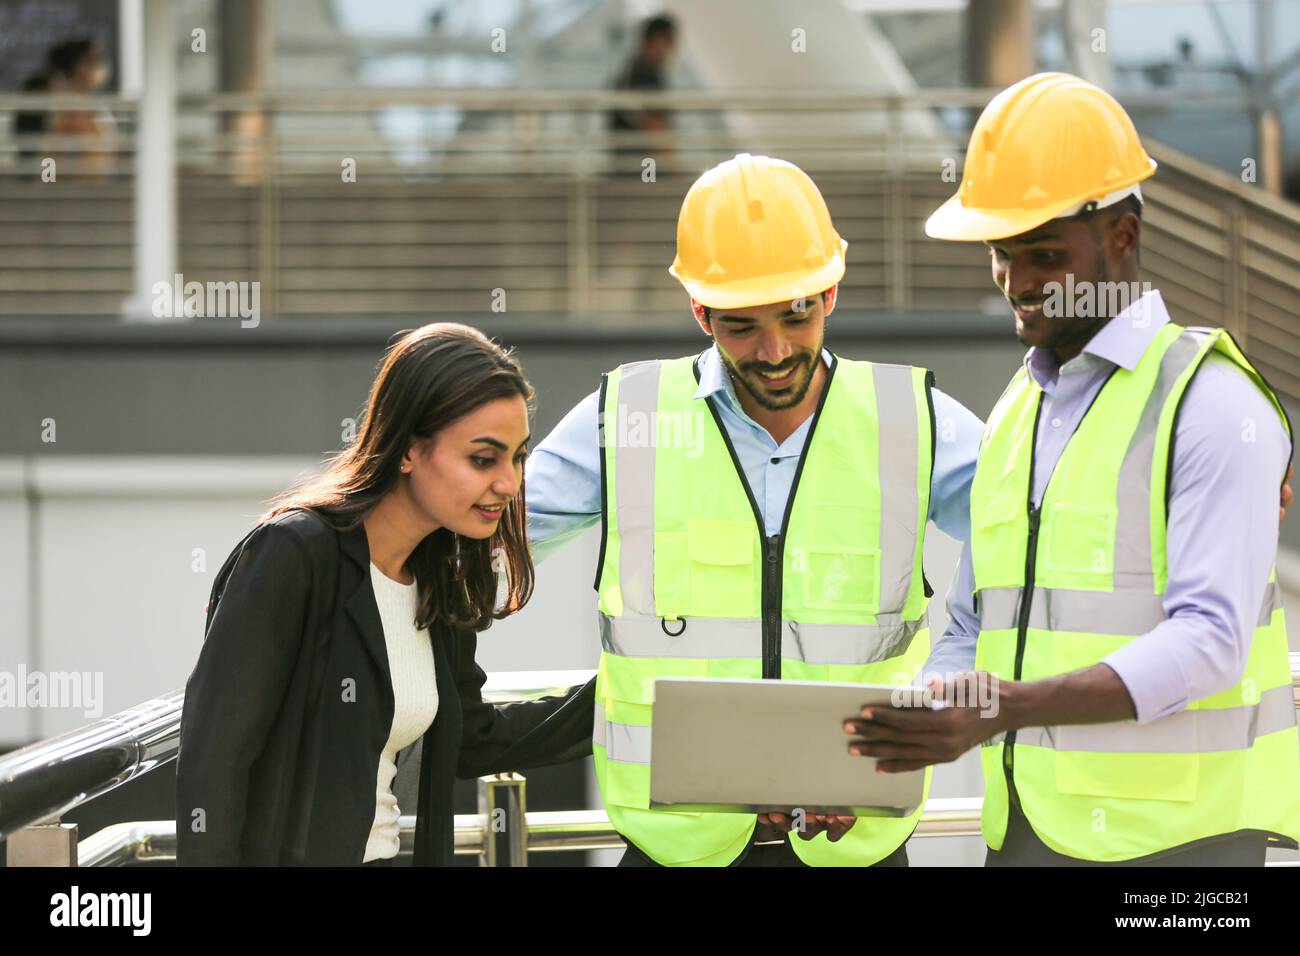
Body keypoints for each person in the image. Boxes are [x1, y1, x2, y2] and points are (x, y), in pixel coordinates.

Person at [844, 72, 1300, 866]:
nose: (1017, 283)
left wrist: (1005, 709)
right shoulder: (1016, 412)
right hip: (1027, 835)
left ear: (1122, 236)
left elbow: (1211, 642)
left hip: (1180, 850)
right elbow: (973, 625)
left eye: (1044, 255)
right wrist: (918, 719)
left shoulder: (1211, 405)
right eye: (1001, 254)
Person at [525, 153, 987, 866]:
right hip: (678, 845)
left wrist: (923, 711)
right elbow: (480, 540)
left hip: (852, 841)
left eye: (796, 315)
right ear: (700, 312)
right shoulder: (629, 418)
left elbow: (1023, 574)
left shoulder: (915, 422)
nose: (774, 352)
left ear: (830, 293)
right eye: (742, 326)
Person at [176, 323, 594, 866]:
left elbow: (475, 739)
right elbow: (214, 760)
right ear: (408, 450)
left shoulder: (437, 577)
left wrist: (624, 699)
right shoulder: (294, 554)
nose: (510, 483)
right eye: (482, 459)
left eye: (517, 456)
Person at [607, 15, 677, 164]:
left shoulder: (635, 69)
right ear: (656, 41)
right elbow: (653, 123)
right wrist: (671, 163)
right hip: (641, 161)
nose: (671, 50)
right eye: (669, 42)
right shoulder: (643, 72)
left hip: (630, 159)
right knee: (649, 181)